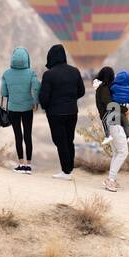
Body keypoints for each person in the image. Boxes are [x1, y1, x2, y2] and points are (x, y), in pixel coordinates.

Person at [38, 44, 84, 180]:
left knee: (60, 141)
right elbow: (81, 91)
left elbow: (44, 97)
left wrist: (46, 106)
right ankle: (69, 169)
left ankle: (65, 171)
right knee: (69, 140)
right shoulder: (75, 71)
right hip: (72, 112)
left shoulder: (49, 74)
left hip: (55, 114)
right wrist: (70, 99)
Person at [0, 47, 40, 174]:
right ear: (27, 59)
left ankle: (21, 164)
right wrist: (35, 102)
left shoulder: (6, 74)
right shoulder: (31, 73)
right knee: (28, 135)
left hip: (13, 109)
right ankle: (29, 165)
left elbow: (3, 93)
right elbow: (36, 88)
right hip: (28, 108)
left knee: (18, 136)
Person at [94, 68, 129, 192]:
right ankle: (110, 180)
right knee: (123, 152)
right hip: (112, 121)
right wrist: (125, 110)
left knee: (117, 152)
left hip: (112, 122)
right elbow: (110, 105)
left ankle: (112, 179)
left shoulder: (102, 89)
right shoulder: (104, 89)